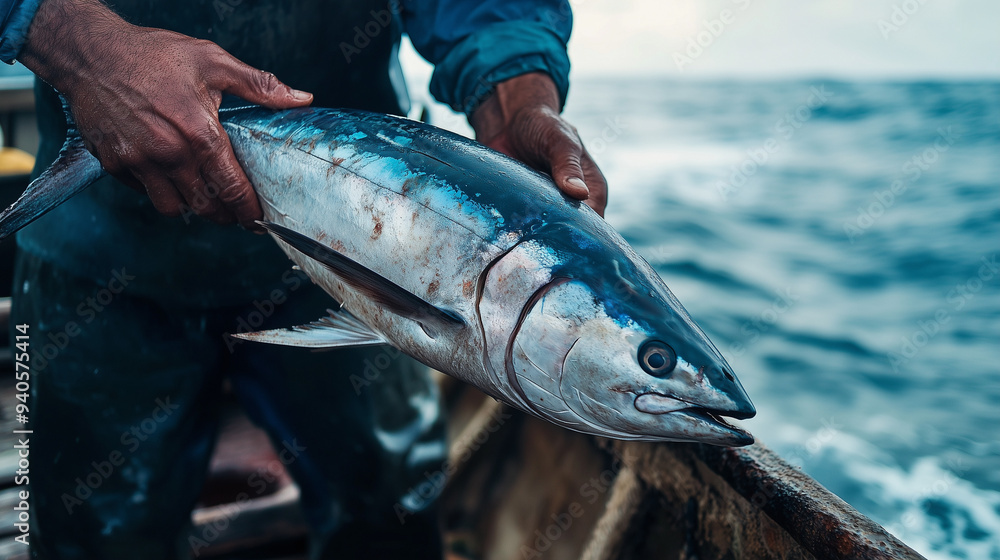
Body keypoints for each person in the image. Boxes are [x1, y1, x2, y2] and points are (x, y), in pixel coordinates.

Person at [0, 0, 607, 557]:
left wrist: (519, 99)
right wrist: (77, 44)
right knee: (93, 532)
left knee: (388, 515)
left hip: (359, 261)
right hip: (101, 251)